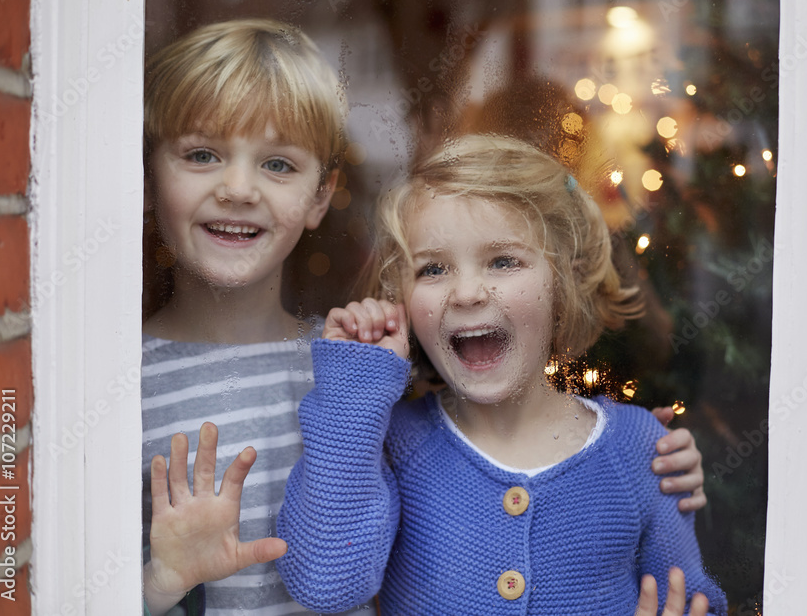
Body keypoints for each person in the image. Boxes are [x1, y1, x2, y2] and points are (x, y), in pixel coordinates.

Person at [275, 135, 726, 615]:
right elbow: (324, 584)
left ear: (564, 283)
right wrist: (353, 393)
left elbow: (693, 598)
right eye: (432, 270)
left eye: (503, 261)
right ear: (401, 300)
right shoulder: (397, 444)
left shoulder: (640, 449)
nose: (467, 292)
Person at [139, 18, 358, 615]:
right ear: (146, 179)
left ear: (319, 196)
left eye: (278, 165)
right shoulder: (113, 384)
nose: (238, 189)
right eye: (202, 155)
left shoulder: (348, 372)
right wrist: (159, 587)